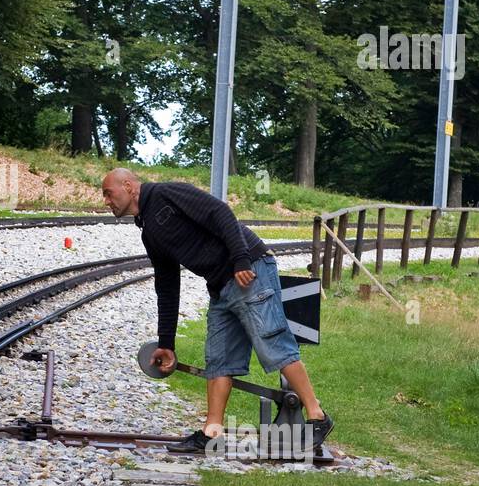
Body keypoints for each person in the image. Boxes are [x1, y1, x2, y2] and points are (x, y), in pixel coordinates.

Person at [101, 168, 333, 453]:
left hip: (249, 272)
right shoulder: (148, 230)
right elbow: (167, 286)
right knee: (219, 359)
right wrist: (166, 344)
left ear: (128, 186)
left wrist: (240, 260)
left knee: (273, 343)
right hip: (221, 286)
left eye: (108, 193)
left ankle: (317, 416)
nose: (106, 201)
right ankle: (212, 433)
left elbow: (220, 213)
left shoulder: (166, 193)